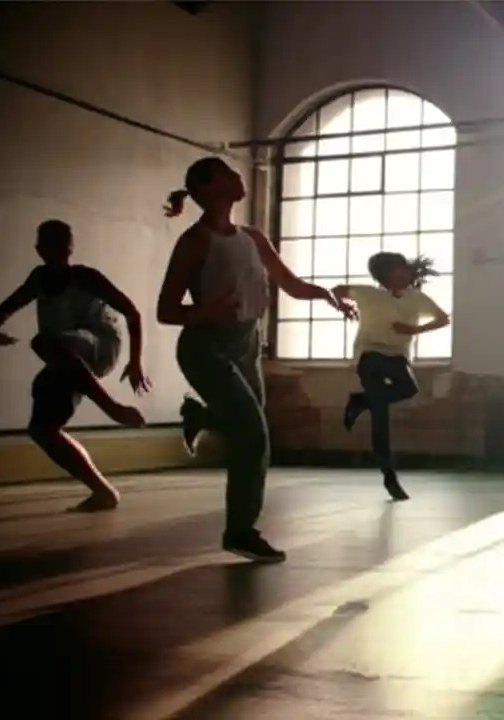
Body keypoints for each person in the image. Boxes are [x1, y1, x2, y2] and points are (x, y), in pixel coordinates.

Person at [158, 156, 357, 563]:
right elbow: (166, 310)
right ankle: (240, 532)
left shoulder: (252, 237)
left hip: (247, 343)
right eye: (228, 173)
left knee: (249, 425)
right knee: (252, 434)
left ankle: (200, 416)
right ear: (208, 187)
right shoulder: (195, 241)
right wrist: (206, 311)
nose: (238, 177)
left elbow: (291, 284)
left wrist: (327, 295)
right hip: (206, 347)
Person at [0, 220, 150, 511]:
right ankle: (103, 492)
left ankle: (113, 408)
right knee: (42, 429)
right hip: (65, 355)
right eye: (52, 245)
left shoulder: (85, 277)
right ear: (40, 250)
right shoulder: (38, 279)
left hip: (100, 345)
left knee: (43, 342)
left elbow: (132, 312)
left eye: (63, 245)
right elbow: (3, 310)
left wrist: (135, 362)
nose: (59, 251)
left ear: (71, 247)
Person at [333, 252, 449, 501]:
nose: (406, 272)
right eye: (400, 269)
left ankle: (360, 401)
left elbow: (443, 319)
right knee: (380, 415)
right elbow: (337, 290)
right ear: (387, 274)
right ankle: (389, 477)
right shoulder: (368, 294)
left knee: (409, 389)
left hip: (397, 358)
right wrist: (343, 305)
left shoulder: (416, 297)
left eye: (406, 268)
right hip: (369, 356)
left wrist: (414, 329)